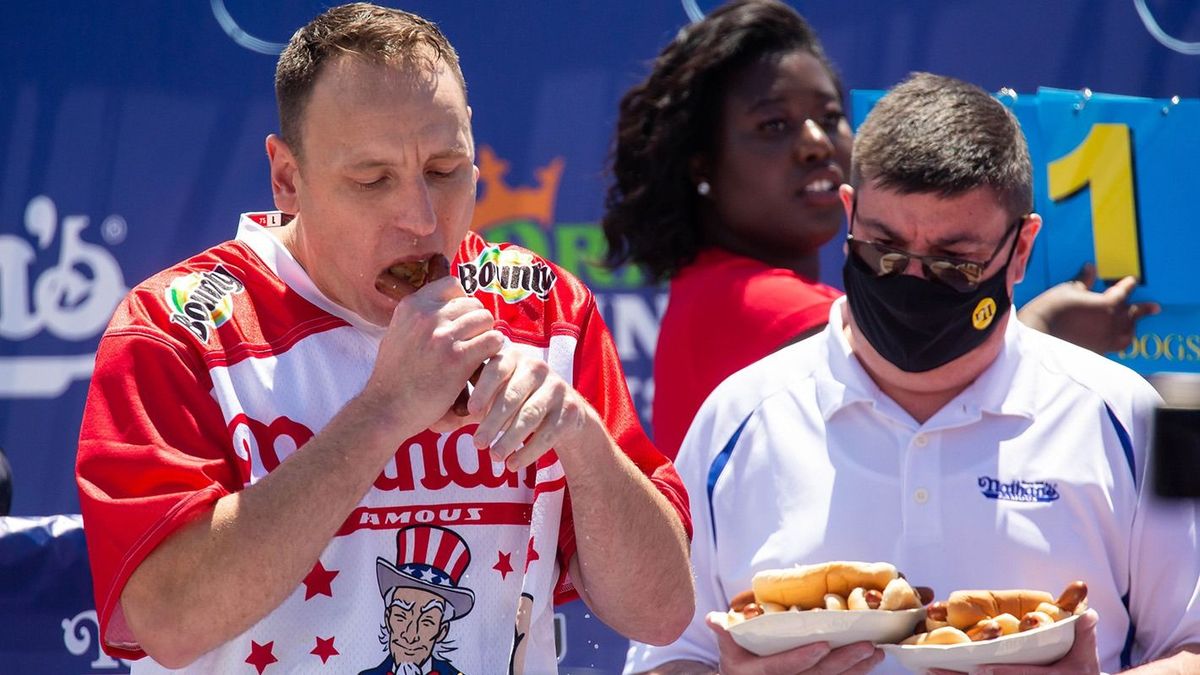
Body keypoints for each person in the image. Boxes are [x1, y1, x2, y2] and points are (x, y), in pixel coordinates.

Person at [74, 4, 694, 673]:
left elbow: (660, 610)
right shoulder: (179, 329)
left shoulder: (541, 307)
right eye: (373, 180)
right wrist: (383, 412)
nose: (422, 218)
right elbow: (168, 619)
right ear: (287, 179)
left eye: (446, 168)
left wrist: (578, 432)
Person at [625, 71, 1200, 674]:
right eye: (885, 251)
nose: (913, 282)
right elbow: (663, 655)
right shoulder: (737, 420)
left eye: (956, 263)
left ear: (1021, 250)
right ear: (849, 216)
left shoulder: (1126, 417)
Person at [601, 0, 1159, 461]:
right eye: (773, 125)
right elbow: (921, 378)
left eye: (829, 114)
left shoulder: (712, 286)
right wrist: (1049, 329)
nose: (817, 142)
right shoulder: (753, 302)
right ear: (703, 164)